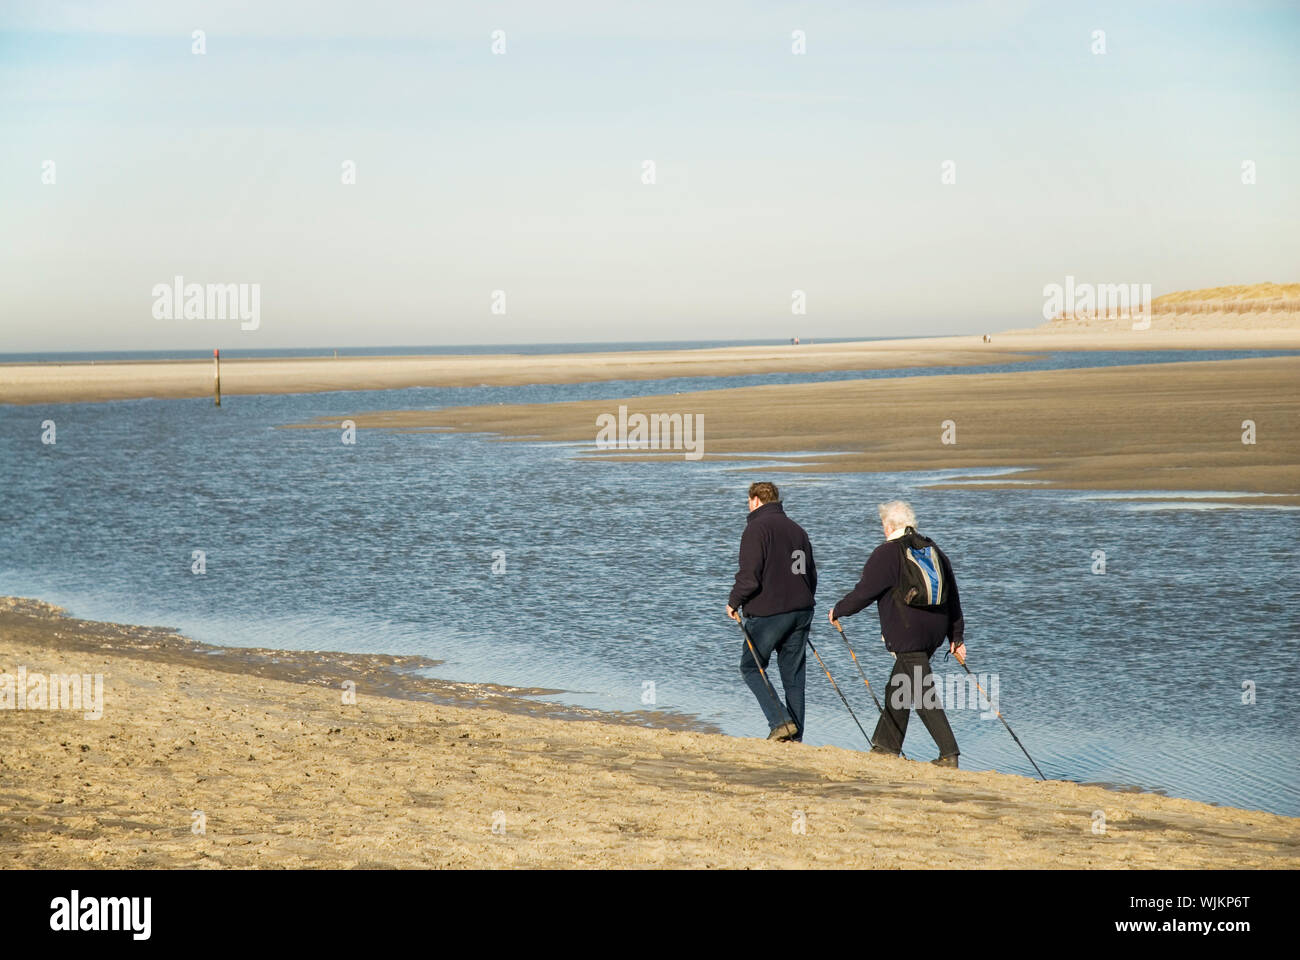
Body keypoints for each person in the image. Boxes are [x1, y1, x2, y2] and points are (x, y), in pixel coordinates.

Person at [828, 500, 966, 766]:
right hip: (935, 630)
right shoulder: (932, 548)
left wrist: (838, 610)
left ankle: (949, 754)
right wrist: (956, 636)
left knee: (922, 692)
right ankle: (885, 746)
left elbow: (863, 593)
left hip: (907, 632)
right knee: (899, 685)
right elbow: (953, 594)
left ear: (888, 525)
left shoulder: (886, 553)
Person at [726, 481, 816, 742]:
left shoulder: (756, 528)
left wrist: (733, 602)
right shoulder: (797, 530)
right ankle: (794, 738)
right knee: (794, 677)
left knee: (751, 667)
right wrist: (803, 598)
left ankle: (780, 722)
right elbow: (810, 574)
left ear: (755, 500)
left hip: (769, 612)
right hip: (801, 609)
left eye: (748, 502)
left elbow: (749, 576)